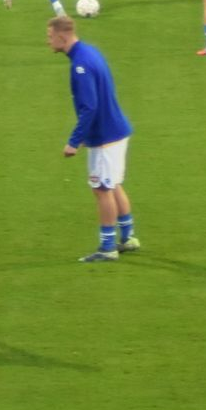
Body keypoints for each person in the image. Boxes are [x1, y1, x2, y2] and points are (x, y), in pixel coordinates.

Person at [47, 15, 138, 262]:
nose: (48, 42)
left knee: (102, 189)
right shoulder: (89, 52)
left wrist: (74, 141)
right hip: (116, 130)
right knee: (114, 183)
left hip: (105, 137)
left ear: (61, 36)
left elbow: (89, 107)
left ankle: (107, 247)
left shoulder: (80, 65)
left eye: (50, 36)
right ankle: (128, 237)